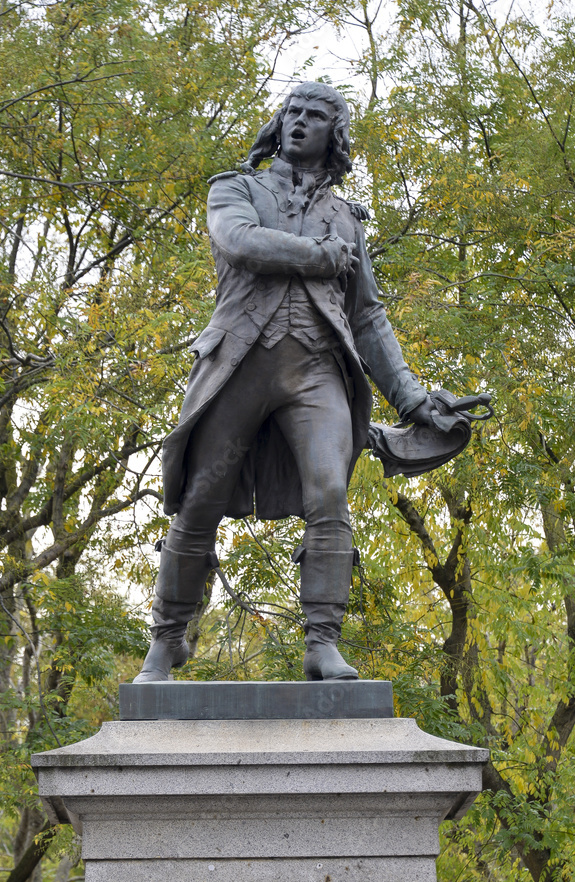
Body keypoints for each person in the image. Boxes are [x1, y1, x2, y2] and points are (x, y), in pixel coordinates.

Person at [133, 81, 436, 684]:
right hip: (240, 363)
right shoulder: (236, 187)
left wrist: (410, 396)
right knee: (199, 502)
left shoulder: (348, 218)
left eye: (315, 116)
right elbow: (240, 243)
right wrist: (318, 257)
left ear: (334, 134)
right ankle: (166, 644)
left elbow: (368, 315)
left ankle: (322, 643)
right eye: (292, 112)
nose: (299, 122)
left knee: (329, 494)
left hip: (318, 370)